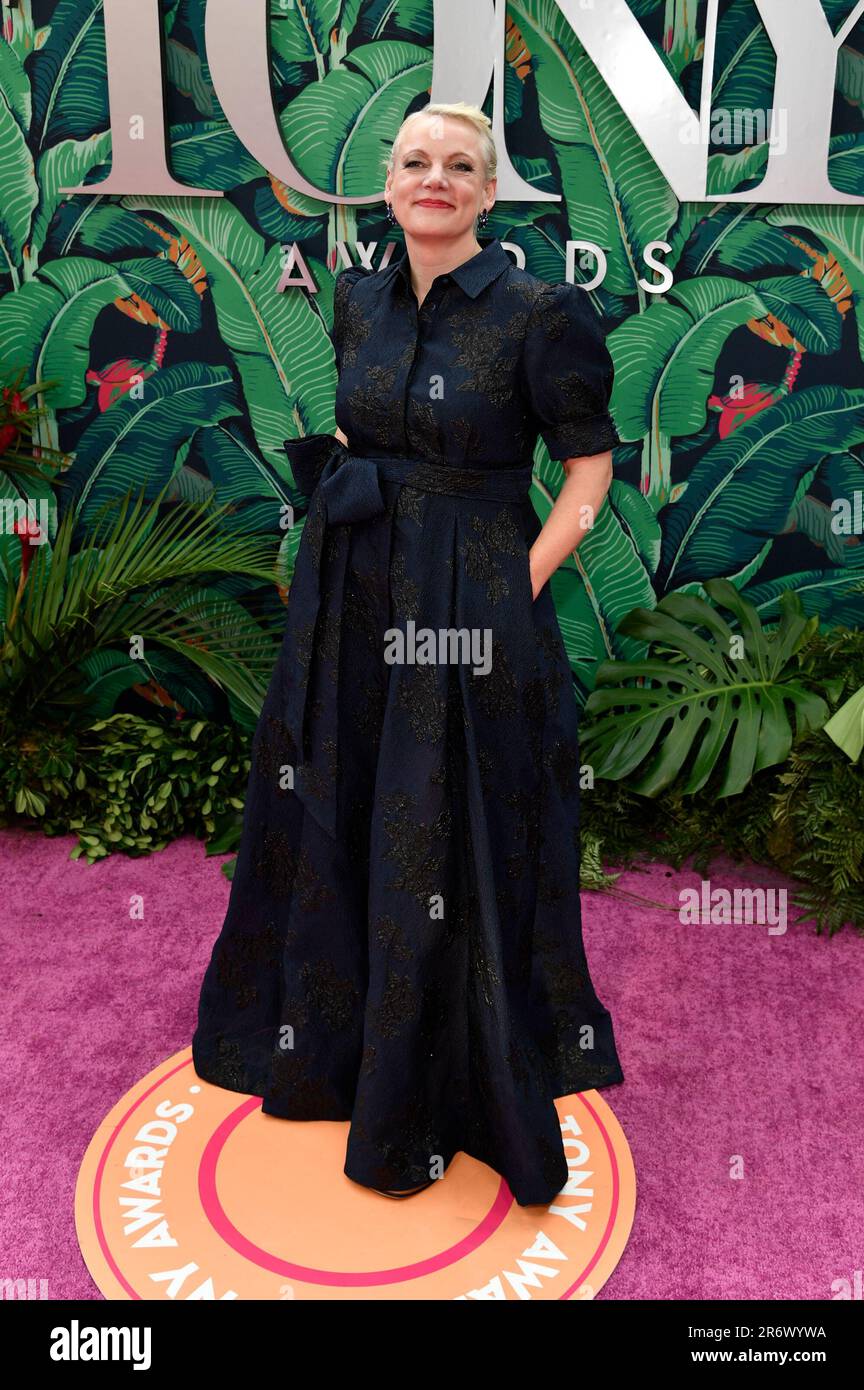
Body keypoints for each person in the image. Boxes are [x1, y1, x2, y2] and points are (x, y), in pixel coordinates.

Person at [191, 101, 624, 1206]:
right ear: (388, 186)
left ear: (488, 193)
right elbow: (358, 432)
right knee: (345, 802)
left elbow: (588, 473)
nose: (435, 179)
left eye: (459, 166)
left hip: (472, 602)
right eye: (415, 162)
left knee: (440, 826)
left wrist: (516, 590)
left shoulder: (542, 313)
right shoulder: (356, 299)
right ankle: (337, 1051)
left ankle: (444, 1085)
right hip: (354, 586)